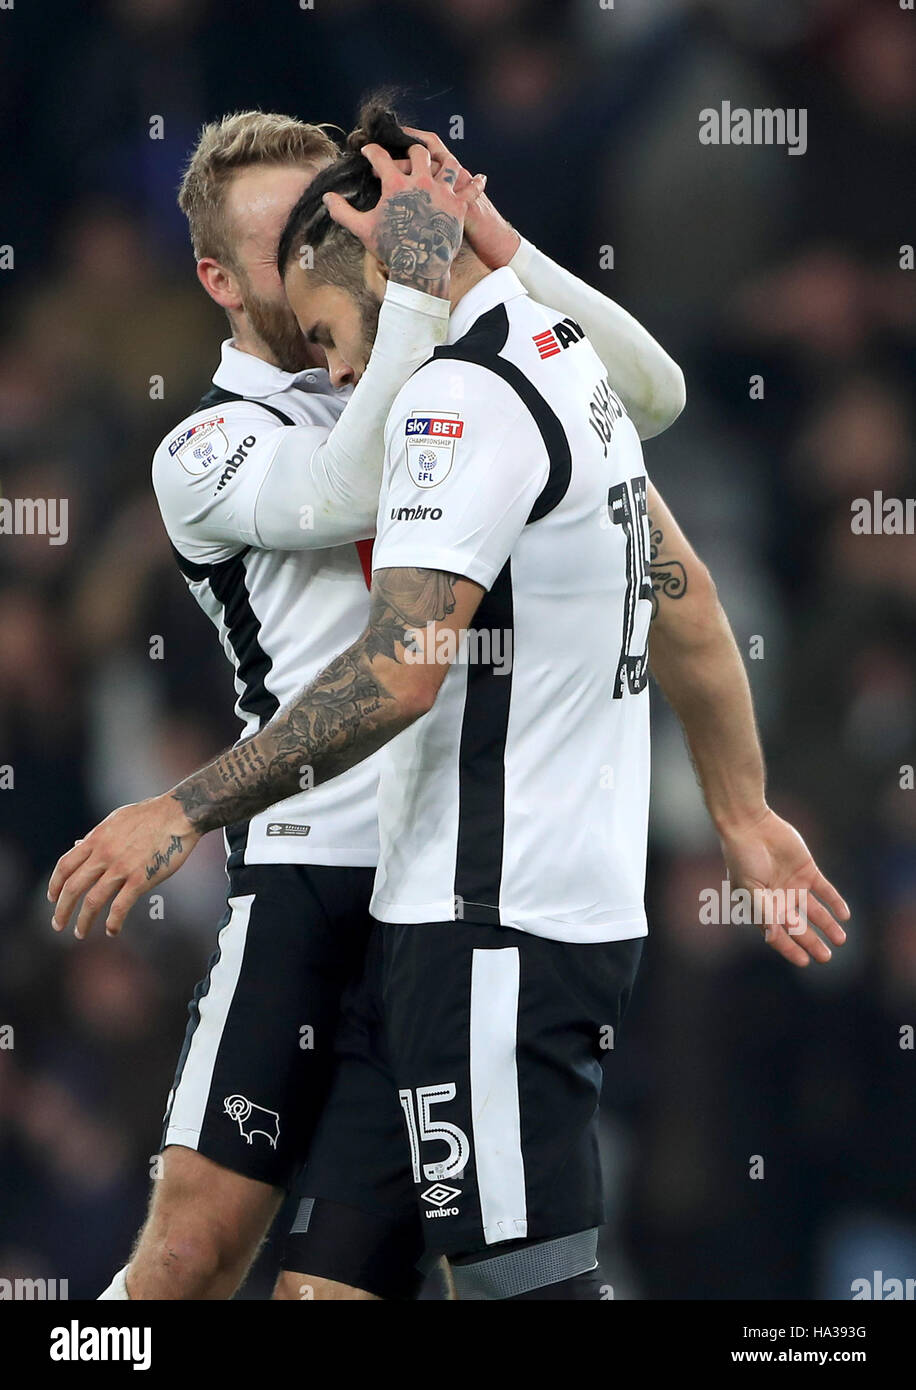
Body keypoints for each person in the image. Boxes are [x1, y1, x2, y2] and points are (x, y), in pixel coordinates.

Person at [49, 107, 689, 1300]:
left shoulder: (449, 367)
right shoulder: (211, 444)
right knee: (185, 1258)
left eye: (336, 209)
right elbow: (354, 478)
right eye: (286, 228)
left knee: (337, 1291)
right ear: (218, 276)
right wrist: (416, 285)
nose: (323, 234)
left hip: (442, 884)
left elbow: (647, 397)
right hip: (306, 868)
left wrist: (485, 238)